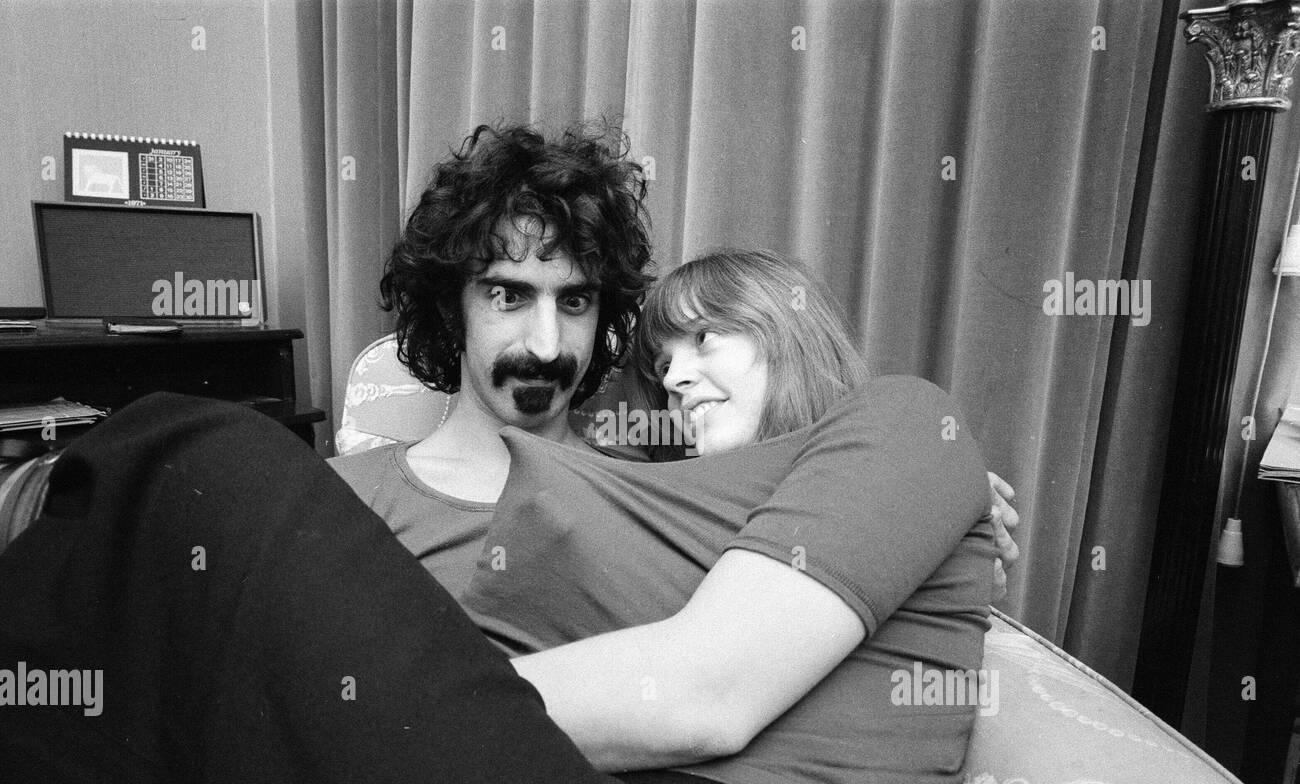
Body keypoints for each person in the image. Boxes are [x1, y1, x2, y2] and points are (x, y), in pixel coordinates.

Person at [329, 122, 1020, 602]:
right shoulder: (344, 500)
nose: (545, 344)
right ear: (452, 307)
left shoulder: (675, 491)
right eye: (509, 295)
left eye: (574, 301)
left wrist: (933, 511)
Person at [457, 247, 995, 784]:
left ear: (788, 331)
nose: (674, 380)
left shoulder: (904, 416)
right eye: (663, 363)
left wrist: (429, 708)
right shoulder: (695, 518)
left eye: (705, 338)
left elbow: (706, 696)